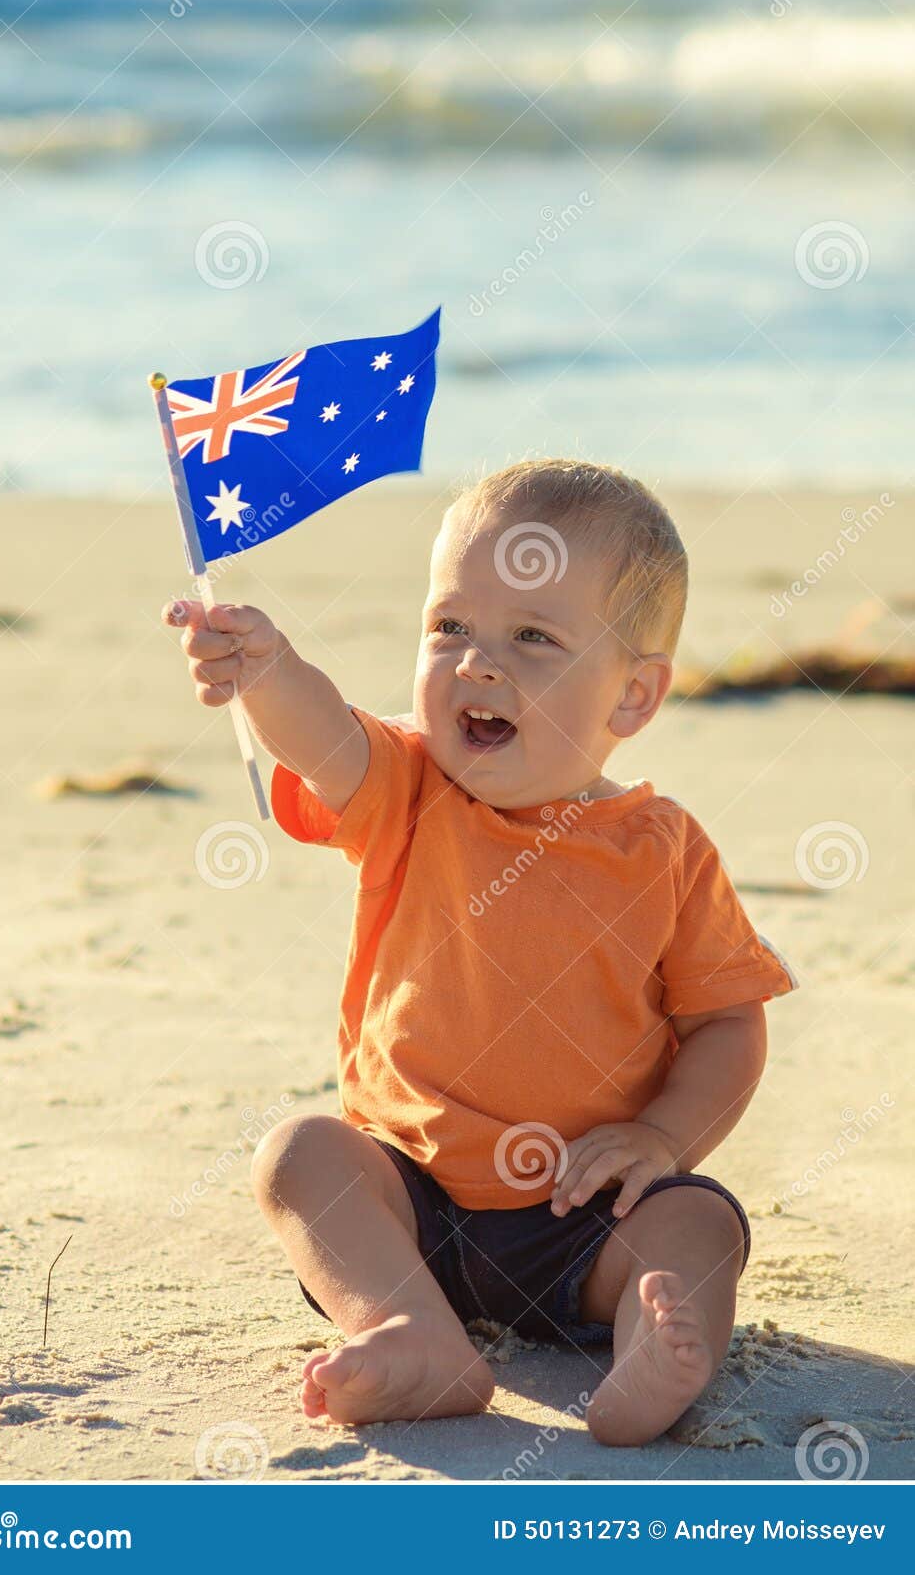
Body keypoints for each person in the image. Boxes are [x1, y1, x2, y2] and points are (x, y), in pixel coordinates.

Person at [162, 458, 796, 1445]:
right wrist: (265, 671)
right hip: (410, 1201)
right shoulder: (408, 788)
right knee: (301, 1155)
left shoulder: (663, 849)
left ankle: (655, 1343)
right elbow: (324, 737)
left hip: (584, 1215)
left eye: (532, 638)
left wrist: (662, 1140)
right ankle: (409, 1327)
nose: (476, 664)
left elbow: (725, 1021)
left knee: (697, 1225)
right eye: (448, 626)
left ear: (631, 696)